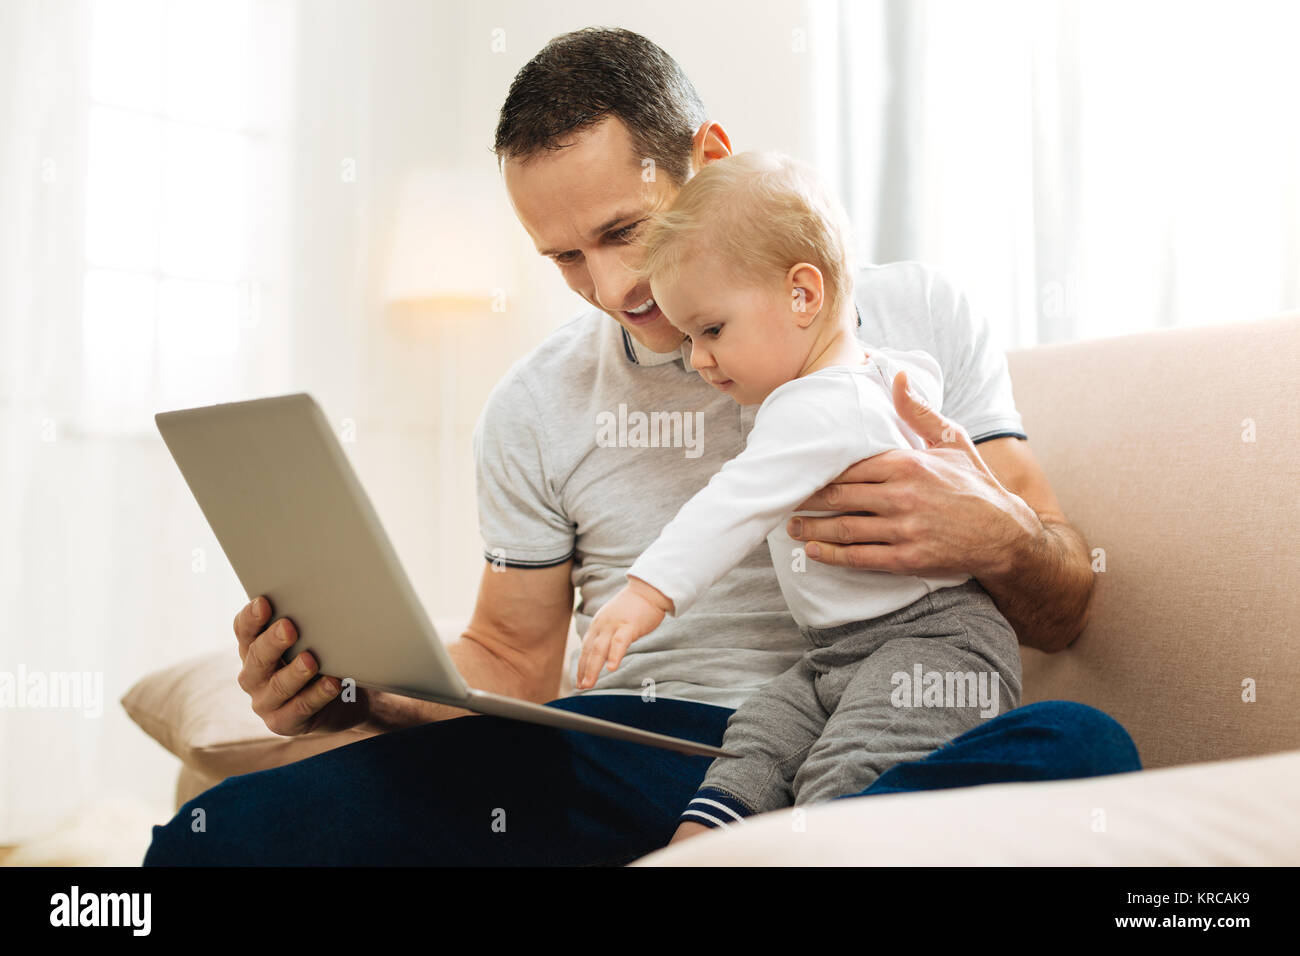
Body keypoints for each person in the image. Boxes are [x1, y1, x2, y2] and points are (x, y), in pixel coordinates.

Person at [143, 27, 1138, 867]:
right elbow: (511, 656)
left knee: (1084, 746)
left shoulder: (915, 315)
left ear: (708, 154)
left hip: (889, 731)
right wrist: (350, 683)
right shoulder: (533, 405)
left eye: (626, 228)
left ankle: (803, 837)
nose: (612, 284)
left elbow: (1065, 599)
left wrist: (997, 534)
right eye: (565, 256)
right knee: (208, 838)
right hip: (639, 752)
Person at [576, 150, 1022, 842]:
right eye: (691, 336)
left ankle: (793, 844)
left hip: (931, 642)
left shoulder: (809, 407)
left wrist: (646, 594)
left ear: (803, 295)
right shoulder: (878, 373)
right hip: (836, 653)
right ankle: (705, 840)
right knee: (761, 733)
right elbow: (918, 382)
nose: (697, 359)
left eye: (712, 330)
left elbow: (733, 505)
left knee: (849, 762)